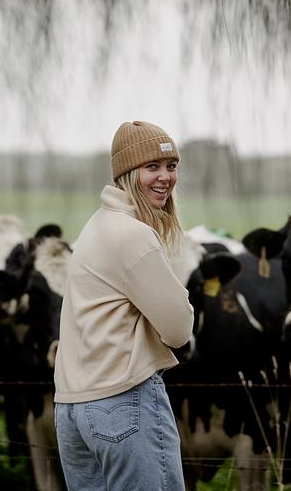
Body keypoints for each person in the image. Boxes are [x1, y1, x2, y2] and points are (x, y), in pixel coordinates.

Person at [54, 120, 194, 491]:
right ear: (127, 174)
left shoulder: (96, 226)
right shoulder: (133, 235)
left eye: (171, 166)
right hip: (123, 399)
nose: (164, 177)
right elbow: (179, 331)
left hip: (73, 408)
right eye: (152, 167)